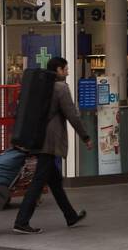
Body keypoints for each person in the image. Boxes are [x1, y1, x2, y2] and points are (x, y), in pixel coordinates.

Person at [13, 56, 92, 234]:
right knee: (39, 181)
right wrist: (85, 136)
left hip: (38, 137)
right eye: (66, 69)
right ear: (58, 70)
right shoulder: (60, 88)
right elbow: (73, 115)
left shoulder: (42, 86)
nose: (68, 72)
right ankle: (21, 221)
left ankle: (70, 216)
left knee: (55, 181)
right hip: (49, 141)